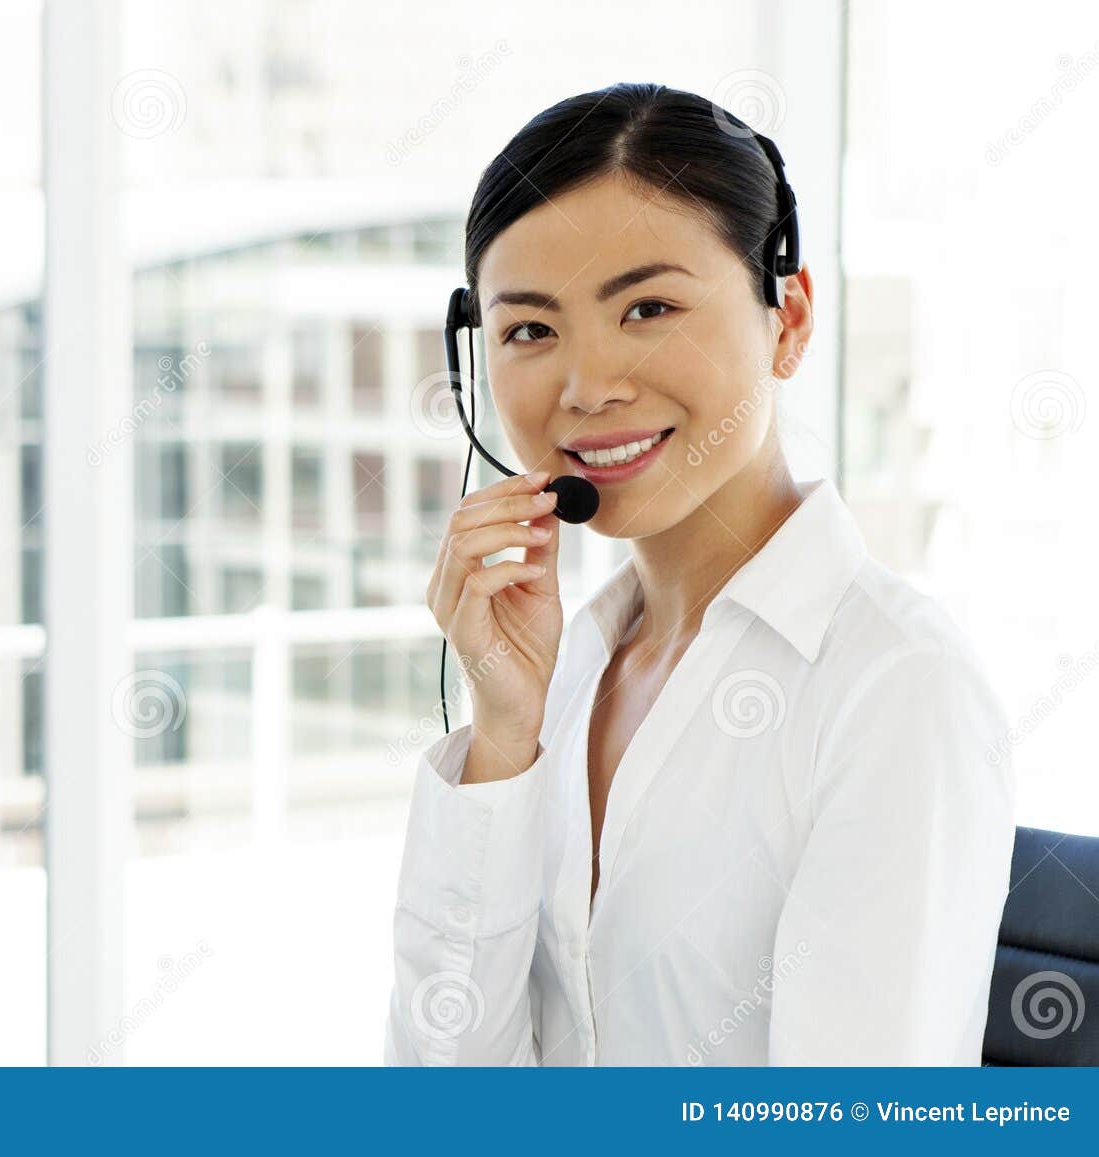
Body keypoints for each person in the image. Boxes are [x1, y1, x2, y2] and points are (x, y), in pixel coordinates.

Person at [385, 82, 1016, 1065]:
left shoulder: (892, 685)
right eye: (530, 330)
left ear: (788, 317)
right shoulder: (561, 671)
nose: (588, 386)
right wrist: (502, 739)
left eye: (648, 306)